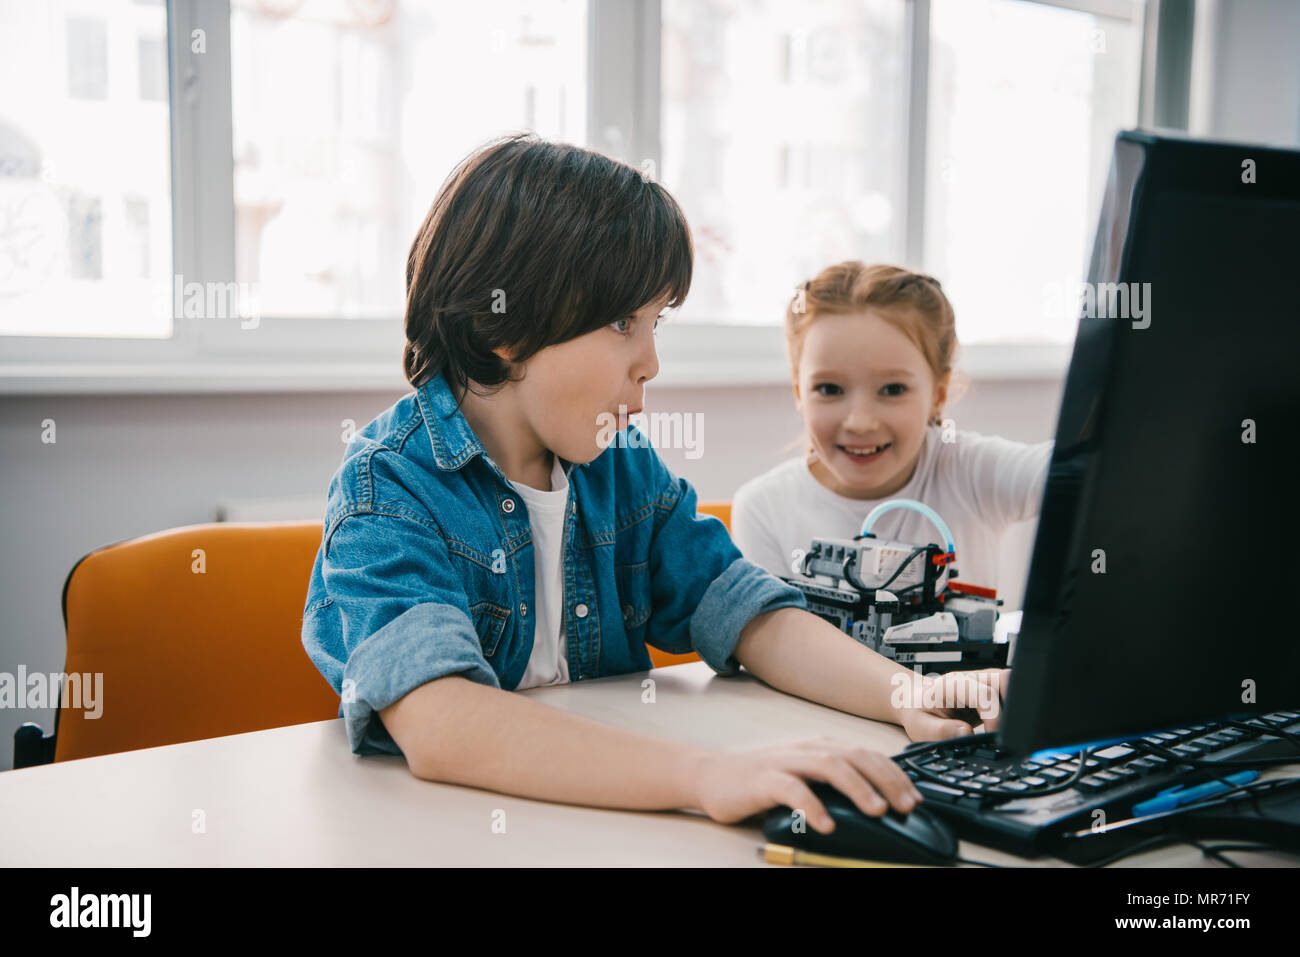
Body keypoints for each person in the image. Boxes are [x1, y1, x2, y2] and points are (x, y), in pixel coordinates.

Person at [301, 135, 1005, 837]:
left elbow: (748, 612)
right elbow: (441, 720)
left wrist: (911, 691)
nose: (651, 361)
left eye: (655, 322)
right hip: (444, 838)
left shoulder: (620, 465)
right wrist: (707, 775)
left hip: (611, 830)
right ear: (503, 327)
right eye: (622, 323)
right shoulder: (387, 489)